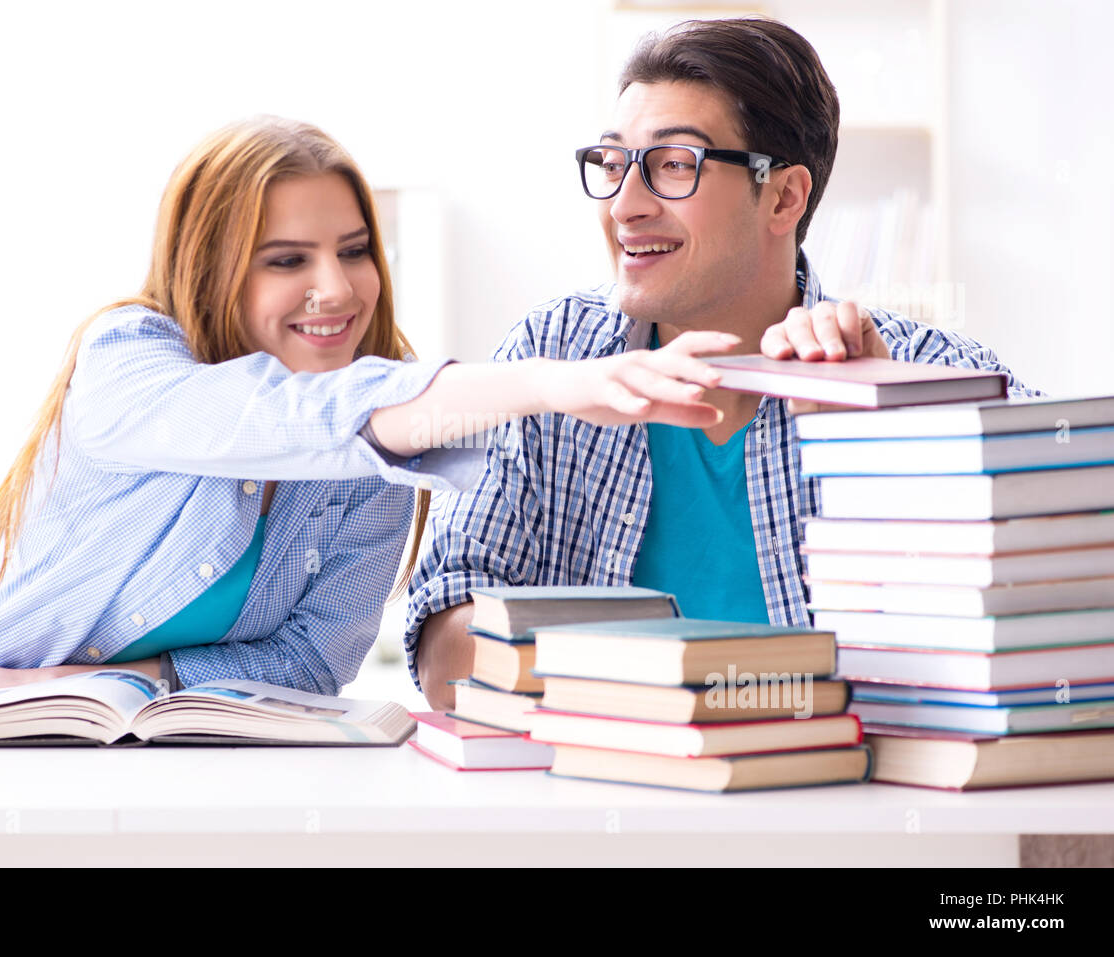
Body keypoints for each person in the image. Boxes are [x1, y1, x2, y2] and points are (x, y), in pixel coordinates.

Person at [0, 116, 737, 706]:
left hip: (195, 764)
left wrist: (121, 685)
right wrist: (554, 382)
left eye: (353, 251)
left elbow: (311, 661)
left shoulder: (378, 451)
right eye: (286, 260)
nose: (337, 289)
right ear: (210, 270)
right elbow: (278, 418)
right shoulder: (126, 360)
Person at [405, 17, 1043, 709]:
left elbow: (1059, 596)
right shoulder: (549, 355)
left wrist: (896, 434)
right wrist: (666, 692)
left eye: (676, 165)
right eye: (614, 164)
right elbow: (442, 647)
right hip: (600, 796)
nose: (625, 205)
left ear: (783, 196)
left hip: (848, 808)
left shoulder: (928, 371)